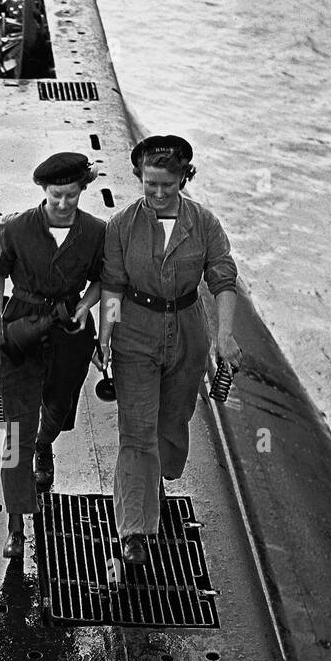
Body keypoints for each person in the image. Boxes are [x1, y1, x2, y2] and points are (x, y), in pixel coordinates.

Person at [96, 135, 241, 566]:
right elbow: (113, 286)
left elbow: (223, 278)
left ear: (183, 180)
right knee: (137, 430)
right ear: (139, 178)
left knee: (172, 423)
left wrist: (225, 335)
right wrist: (105, 333)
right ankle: (134, 531)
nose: (158, 194)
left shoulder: (204, 223)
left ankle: (154, 477)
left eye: (167, 185)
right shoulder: (122, 226)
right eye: (150, 184)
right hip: (135, 331)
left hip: (187, 330)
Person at [0, 152, 105, 559]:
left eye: (71, 195)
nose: (63, 203)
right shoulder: (17, 229)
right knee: (17, 430)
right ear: (44, 191)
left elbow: (104, 280)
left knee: (57, 409)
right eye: (56, 195)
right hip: (22, 326)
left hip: (69, 329)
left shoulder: (95, 232)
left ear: (82, 190)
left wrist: (86, 306)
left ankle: (45, 443)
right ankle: (15, 526)